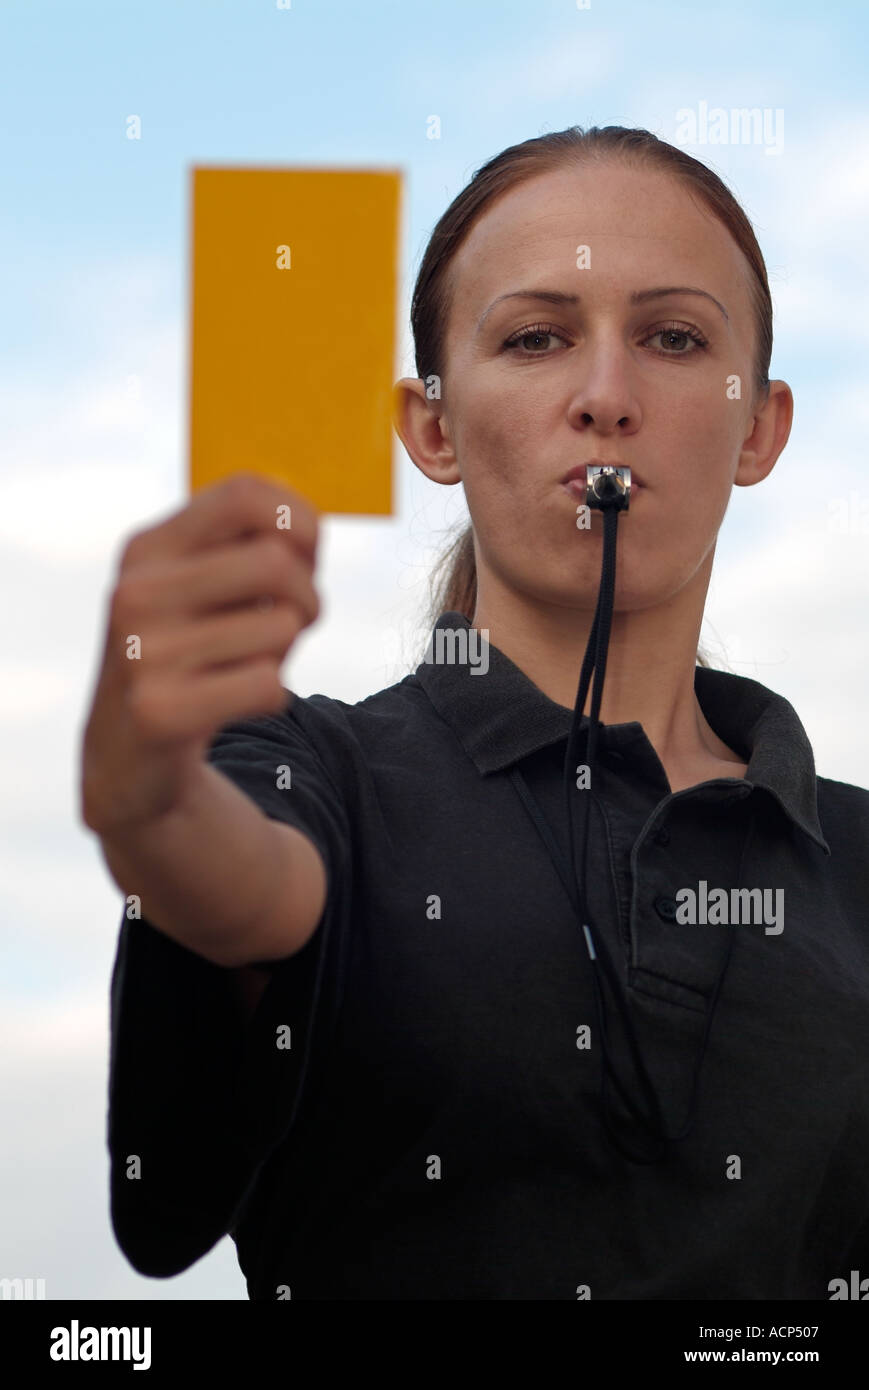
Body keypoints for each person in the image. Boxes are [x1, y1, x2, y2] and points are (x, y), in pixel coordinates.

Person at [82, 124, 869, 1301]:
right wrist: (147, 796)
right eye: (536, 337)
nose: (605, 397)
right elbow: (244, 876)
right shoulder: (314, 764)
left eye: (670, 337)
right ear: (432, 427)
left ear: (756, 425)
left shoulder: (852, 856)